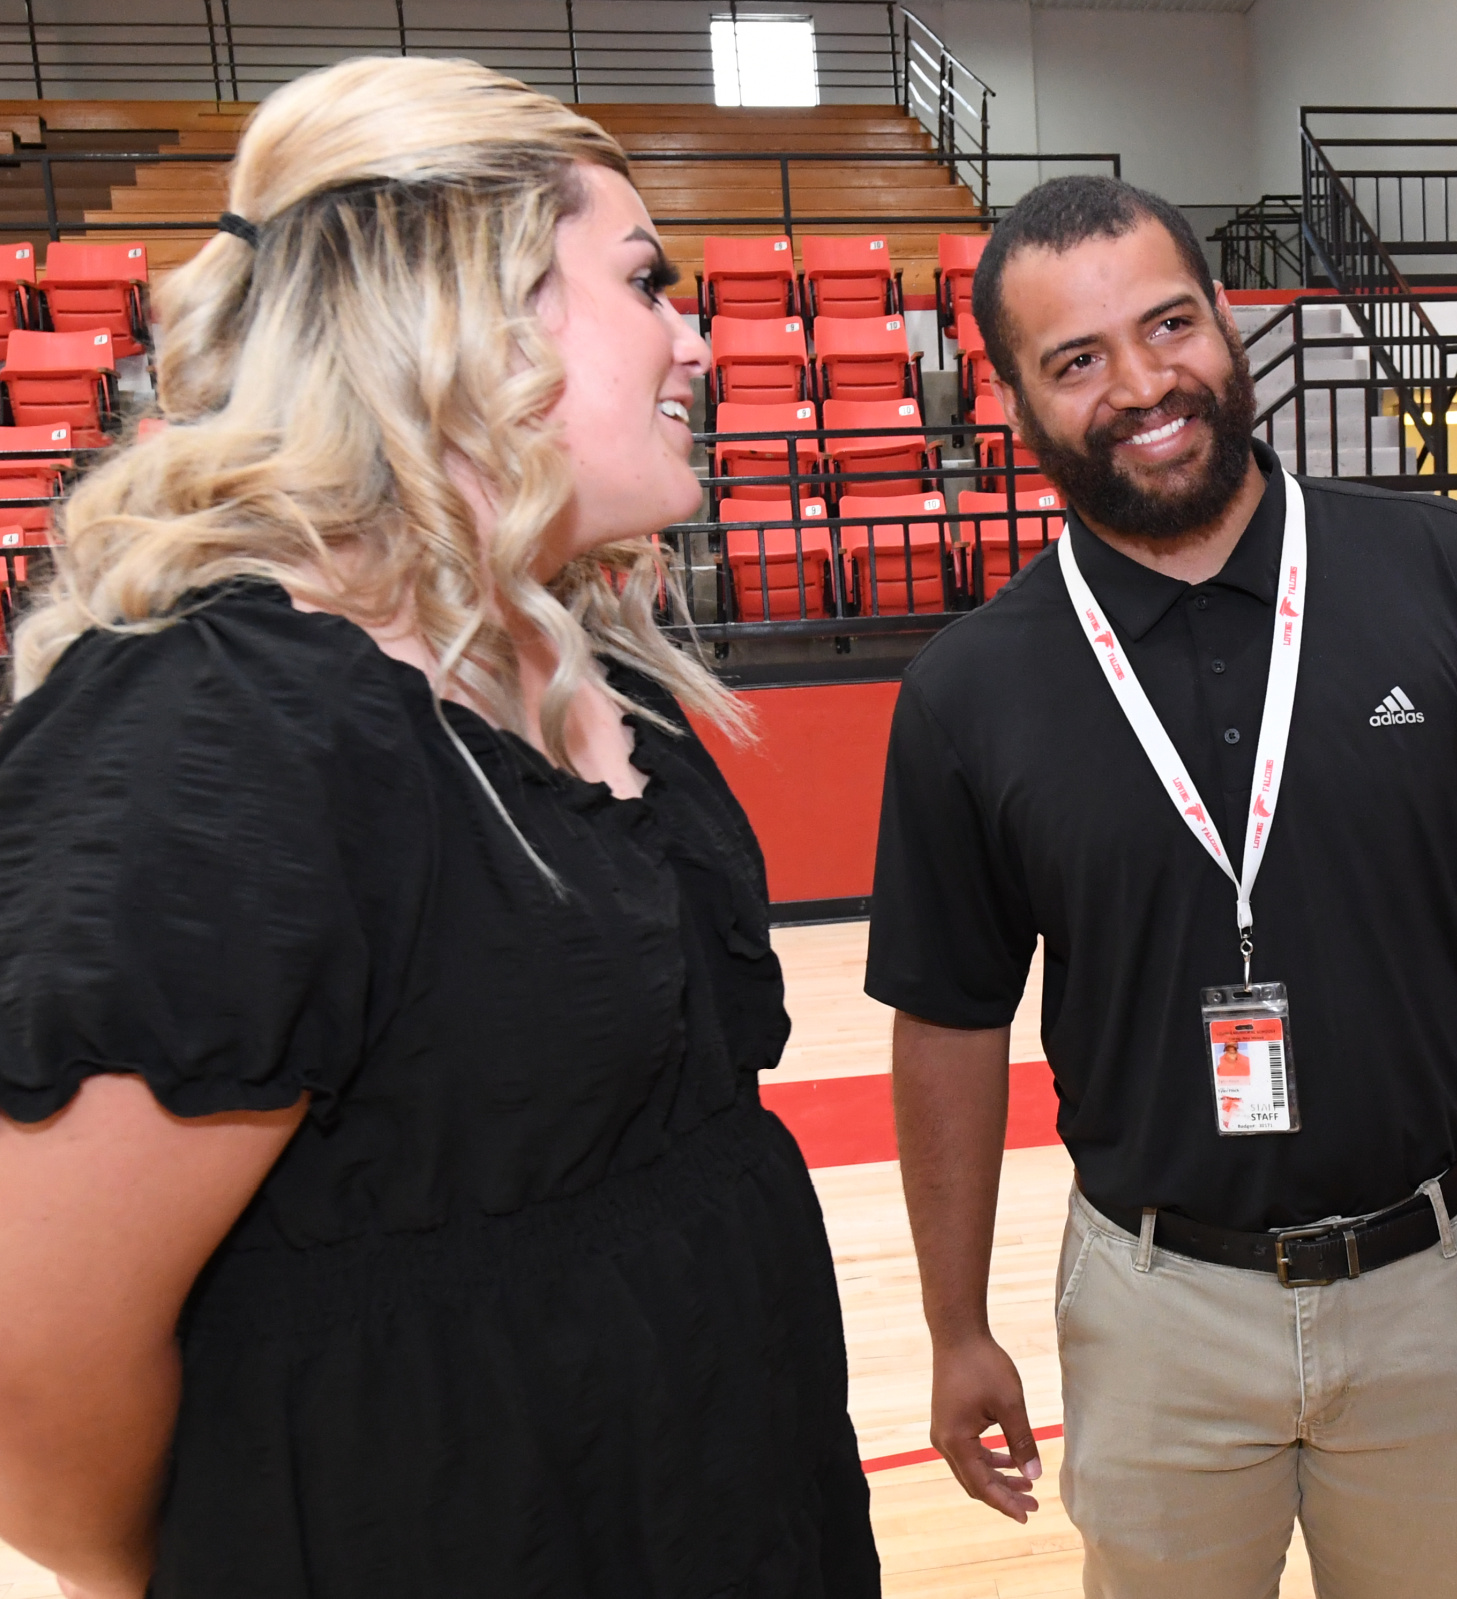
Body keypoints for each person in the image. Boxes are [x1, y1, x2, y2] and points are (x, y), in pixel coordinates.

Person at [0, 58, 877, 1599]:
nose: (694, 339)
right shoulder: (221, 725)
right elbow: (29, 1374)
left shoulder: (601, 674)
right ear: (469, 312)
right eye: (644, 282)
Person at [864, 174, 1457, 1599]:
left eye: (1170, 324)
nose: (1145, 384)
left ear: (1227, 325)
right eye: (1078, 360)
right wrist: (953, 1323)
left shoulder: (1451, 572)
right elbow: (949, 1022)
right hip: (1159, 1309)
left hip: (1439, 1290)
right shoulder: (967, 691)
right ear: (1022, 406)